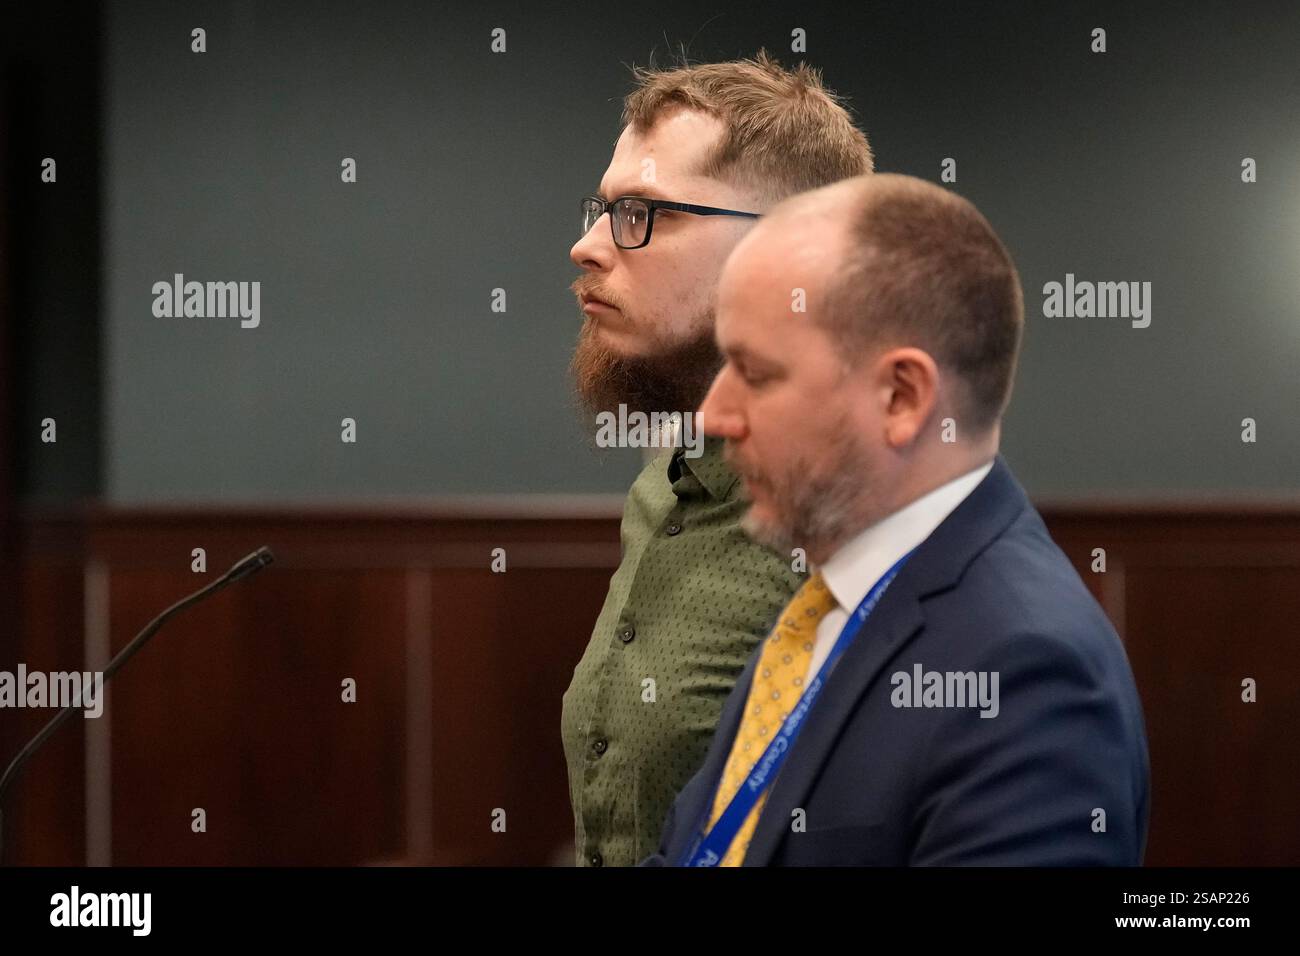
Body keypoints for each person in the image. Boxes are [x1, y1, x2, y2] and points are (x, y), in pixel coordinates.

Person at [643, 173, 1150, 866]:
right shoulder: (825, 605)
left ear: (901, 397)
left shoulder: (1028, 673)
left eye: (754, 373)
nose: (714, 416)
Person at [561, 51, 875, 866]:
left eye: (642, 213)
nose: (588, 246)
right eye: (602, 209)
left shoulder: (861, 521)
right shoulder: (660, 482)